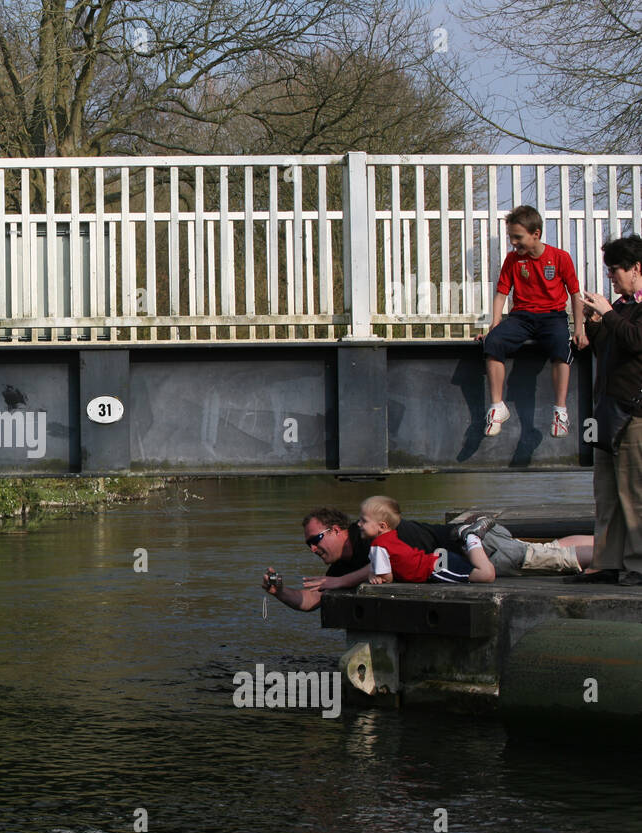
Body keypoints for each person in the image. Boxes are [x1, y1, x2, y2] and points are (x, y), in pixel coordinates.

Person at [262, 506, 593, 611]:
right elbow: (312, 600)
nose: (312, 548)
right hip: (468, 553)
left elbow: (389, 560)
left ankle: (620, 550)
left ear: (336, 530)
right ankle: (614, 545)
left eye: (315, 540)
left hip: (470, 545)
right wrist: (280, 593)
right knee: (549, 550)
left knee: (554, 559)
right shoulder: (344, 566)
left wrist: (344, 581)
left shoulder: (373, 534)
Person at [478, 205, 586, 438]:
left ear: (535, 234)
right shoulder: (512, 260)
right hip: (522, 317)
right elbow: (501, 293)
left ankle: (560, 412)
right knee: (494, 342)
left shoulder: (560, 258)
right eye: (511, 238)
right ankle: (497, 407)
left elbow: (576, 295)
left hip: (553, 316)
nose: (513, 243)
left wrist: (579, 329)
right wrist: (494, 324)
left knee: (560, 344)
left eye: (518, 237)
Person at [576, 236, 642, 584]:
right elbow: (604, 348)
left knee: (634, 494)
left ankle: (637, 565)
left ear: (637, 268)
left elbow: (636, 341)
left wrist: (610, 314)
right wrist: (593, 321)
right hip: (609, 409)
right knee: (606, 493)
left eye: (615, 270)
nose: (612, 277)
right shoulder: (623, 306)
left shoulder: (633, 309)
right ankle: (606, 561)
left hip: (635, 413)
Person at [359, 495, 495, 584]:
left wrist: (375, 577)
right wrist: (374, 572)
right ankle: (471, 540)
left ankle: (471, 536)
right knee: (482, 570)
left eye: (363, 521)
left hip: (436, 569)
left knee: (486, 575)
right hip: (437, 560)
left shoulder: (378, 545)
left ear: (382, 526)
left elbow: (387, 578)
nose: (358, 524)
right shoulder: (392, 536)